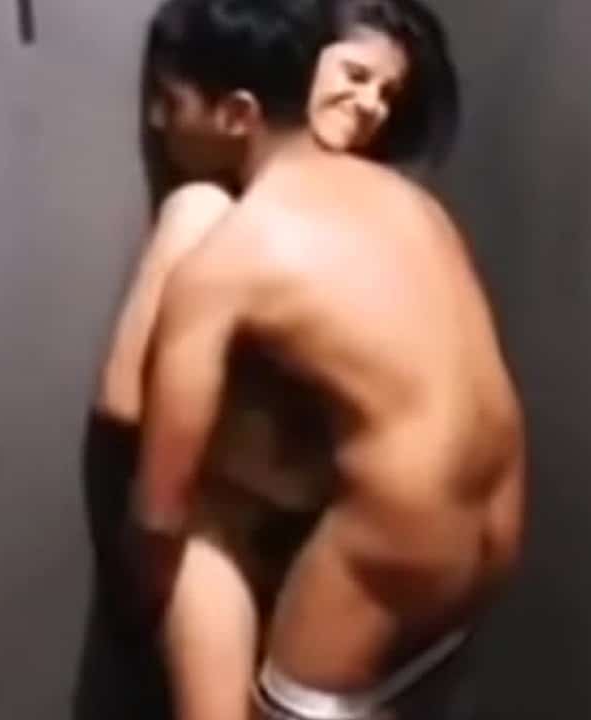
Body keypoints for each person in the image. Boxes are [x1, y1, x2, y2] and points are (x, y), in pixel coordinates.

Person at [126, 0, 527, 717]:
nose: (159, 121)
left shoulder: (231, 257)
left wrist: (146, 595)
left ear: (237, 115)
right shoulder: (413, 204)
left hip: (396, 553)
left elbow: (161, 505)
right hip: (495, 539)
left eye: (172, 102)